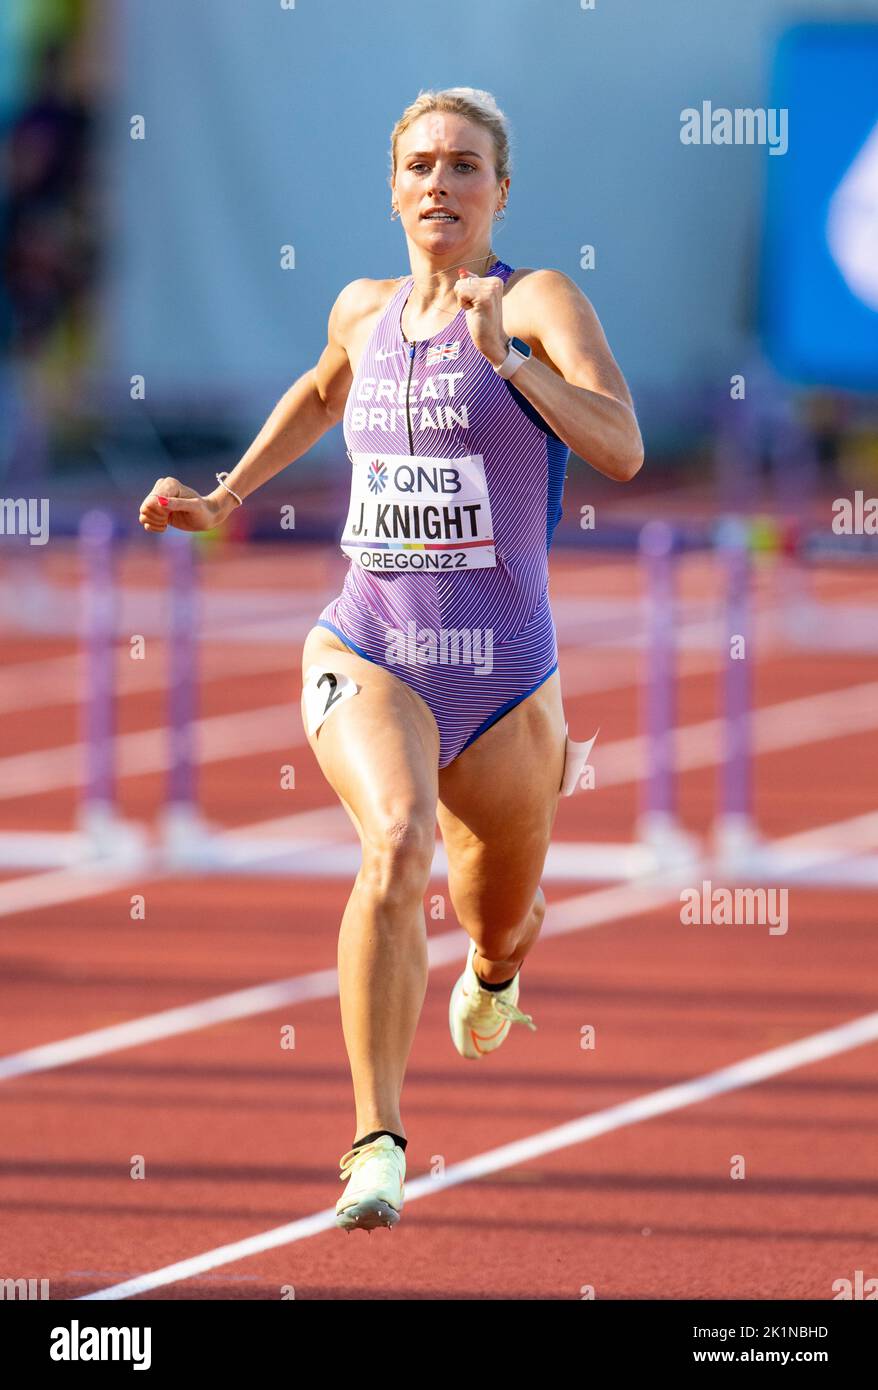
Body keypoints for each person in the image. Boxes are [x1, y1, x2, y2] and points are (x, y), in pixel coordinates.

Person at [138, 86, 643, 1234]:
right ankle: (377, 1139)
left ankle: (501, 973)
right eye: (419, 165)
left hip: (508, 677)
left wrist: (508, 361)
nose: (439, 185)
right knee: (396, 840)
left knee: (495, 916)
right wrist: (224, 496)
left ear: (499, 192)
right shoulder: (361, 310)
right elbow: (322, 391)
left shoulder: (539, 299)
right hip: (370, 646)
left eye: (465, 167)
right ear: (392, 185)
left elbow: (619, 446)